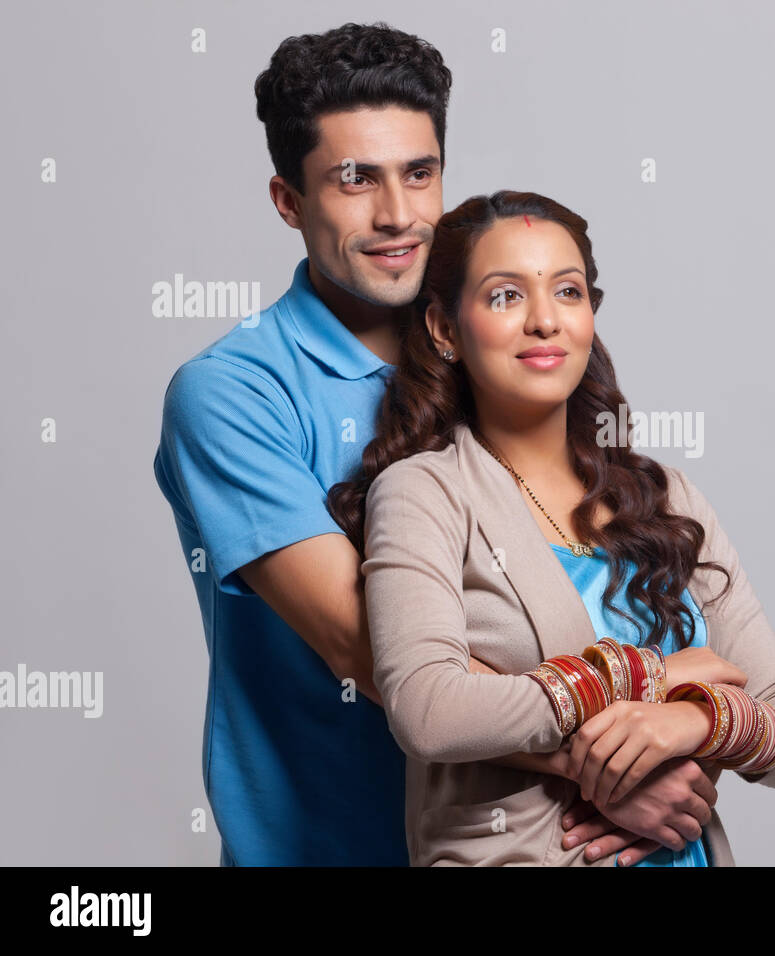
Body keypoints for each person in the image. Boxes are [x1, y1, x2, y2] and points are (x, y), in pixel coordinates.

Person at [151, 22, 684, 866]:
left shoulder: (495, 347)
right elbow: (370, 648)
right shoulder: (232, 393)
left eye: (419, 174)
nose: (398, 216)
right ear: (289, 201)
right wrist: (621, 762)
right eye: (354, 180)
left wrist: (682, 728)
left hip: (533, 845)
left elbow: (608, 579)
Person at [327, 190, 775, 865]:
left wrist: (695, 719)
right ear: (446, 329)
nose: (544, 321)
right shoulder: (425, 493)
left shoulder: (668, 500)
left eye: (567, 291)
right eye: (506, 296)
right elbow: (427, 708)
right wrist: (656, 677)